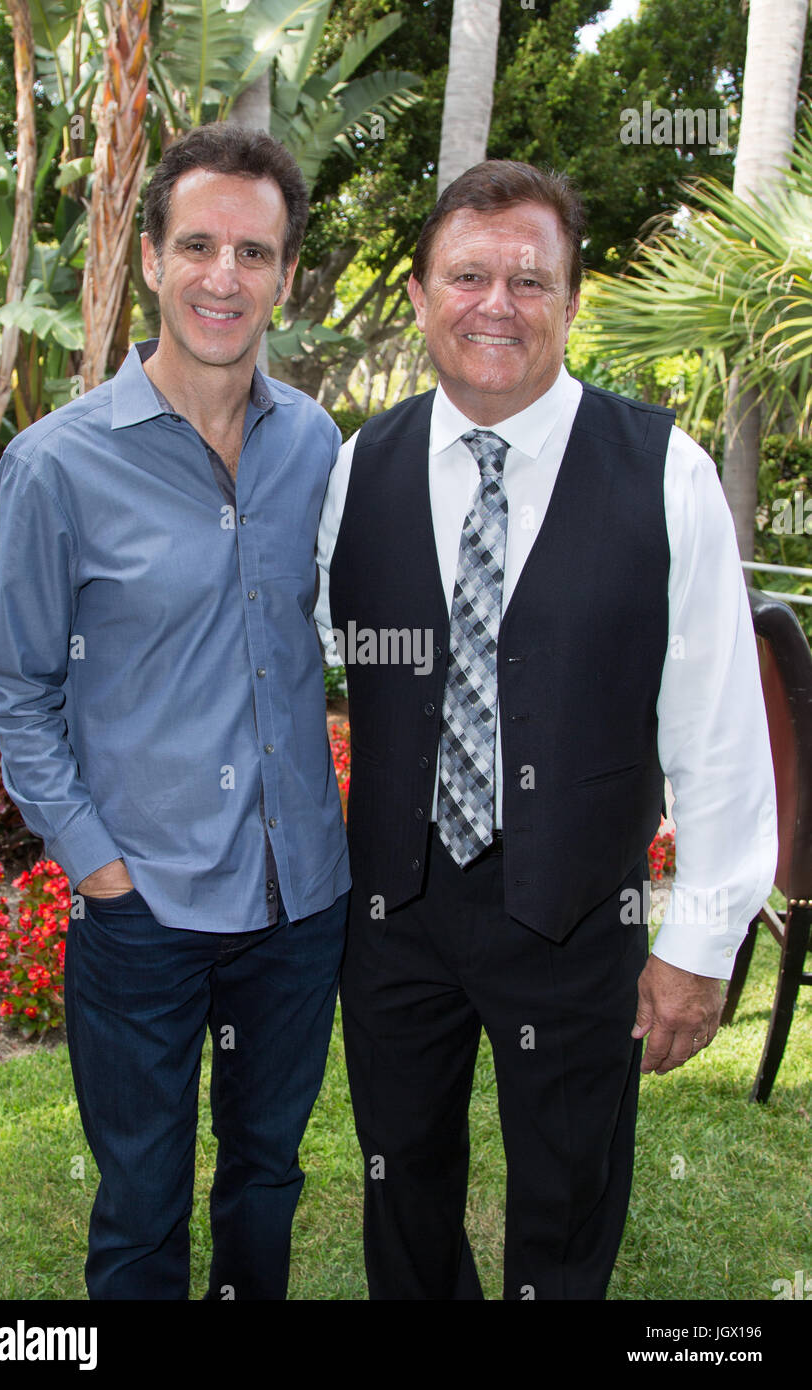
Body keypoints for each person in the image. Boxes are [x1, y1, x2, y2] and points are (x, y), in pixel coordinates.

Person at [315, 160, 777, 1301]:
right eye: (466, 275)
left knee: (567, 1206)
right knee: (400, 1191)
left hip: (576, 913)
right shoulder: (353, 467)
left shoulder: (661, 472)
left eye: (530, 278)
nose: (496, 303)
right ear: (420, 296)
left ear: (571, 300)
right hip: (395, 916)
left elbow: (716, 725)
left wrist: (697, 941)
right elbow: (310, 663)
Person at [0, 122, 350, 1300]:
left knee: (267, 1174)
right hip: (143, 907)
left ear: (284, 274)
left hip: (298, 904)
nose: (222, 276)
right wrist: (96, 869)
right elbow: (18, 685)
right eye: (197, 244)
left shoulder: (317, 447)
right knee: (140, 1204)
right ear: (149, 260)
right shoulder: (57, 464)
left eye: (252, 251)